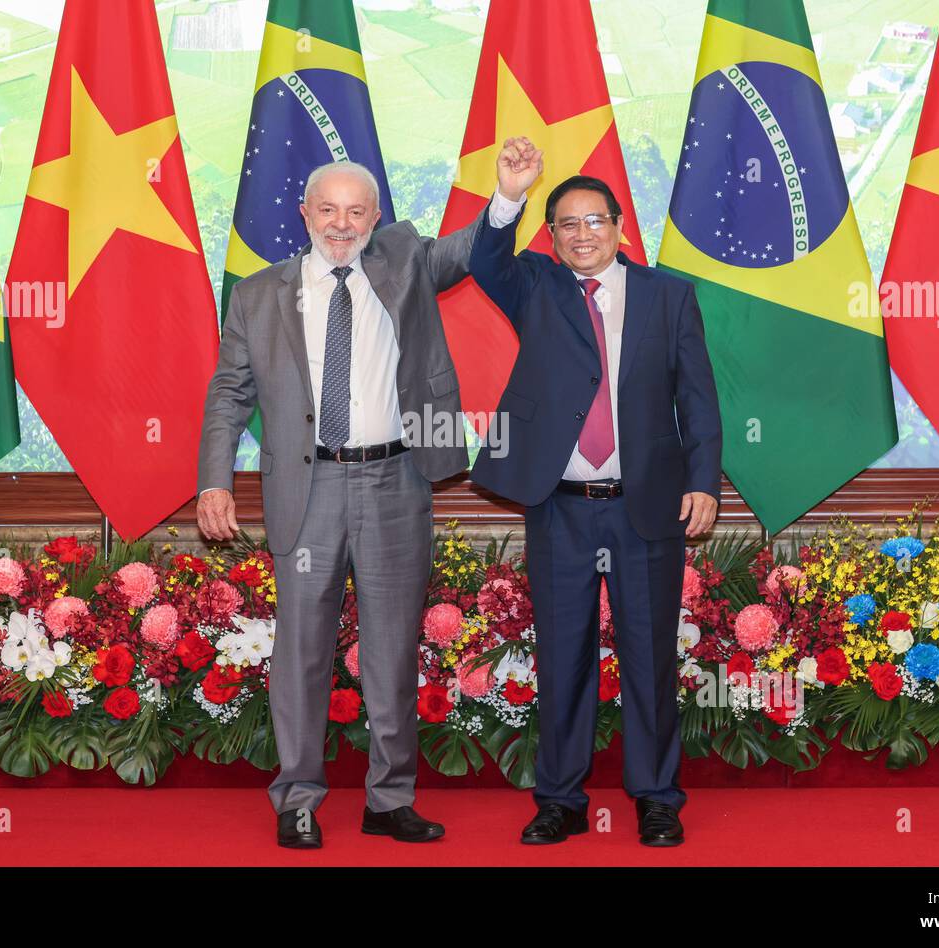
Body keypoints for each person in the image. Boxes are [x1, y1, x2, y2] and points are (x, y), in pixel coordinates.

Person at [196, 161, 478, 849]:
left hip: (394, 485)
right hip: (307, 489)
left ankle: (389, 798)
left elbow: (472, 248)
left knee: (392, 649)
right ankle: (297, 798)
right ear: (305, 213)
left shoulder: (406, 264)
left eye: (357, 212)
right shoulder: (258, 295)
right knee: (301, 652)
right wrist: (215, 480)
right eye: (329, 210)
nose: (342, 225)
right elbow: (229, 394)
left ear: (375, 217)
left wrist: (508, 194)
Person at [469, 137, 723, 847]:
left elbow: (697, 401)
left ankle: (656, 798)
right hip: (561, 509)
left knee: (649, 657)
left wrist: (704, 481)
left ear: (618, 227)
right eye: (568, 225)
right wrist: (511, 194)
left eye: (595, 221)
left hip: (646, 507)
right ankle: (560, 799)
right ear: (552, 237)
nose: (583, 235)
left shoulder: (667, 295)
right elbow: (483, 259)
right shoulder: (536, 286)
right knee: (563, 654)